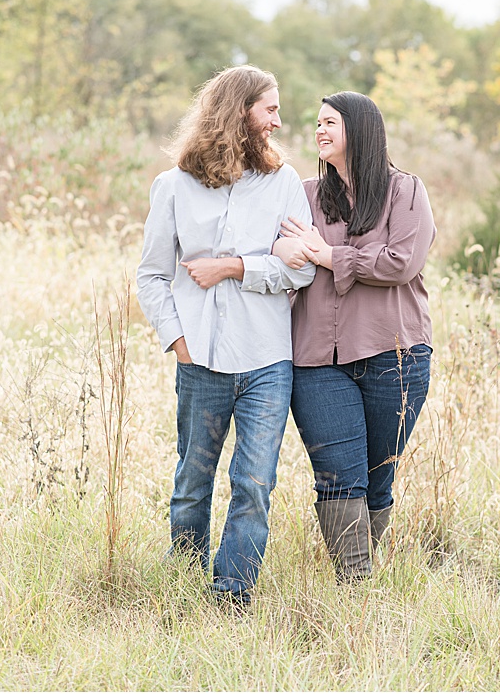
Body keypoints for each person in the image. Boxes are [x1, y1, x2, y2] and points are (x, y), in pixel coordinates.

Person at [136, 65, 315, 608]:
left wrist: (237, 267)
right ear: (240, 111)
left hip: (266, 359)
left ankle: (231, 592)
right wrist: (178, 339)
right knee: (193, 477)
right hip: (201, 358)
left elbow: (302, 270)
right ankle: (185, 575)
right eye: (270, 109)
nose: (278, 122)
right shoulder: (173, 186)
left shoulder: (283, 183)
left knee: (255, 483)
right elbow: (150, 274)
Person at [272, 91, 435, 581]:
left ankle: (360, 576)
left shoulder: (406, 191)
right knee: (338, 478)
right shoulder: (300, 194)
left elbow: (401, 263)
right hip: (316, 359)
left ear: (360, 130)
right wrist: (286, 249)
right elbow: (275, 244)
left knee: (377, 477)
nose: (319, 131)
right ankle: (356, 589)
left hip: (396, 355)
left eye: (330, 123)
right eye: (317, 123)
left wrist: (327, 256)